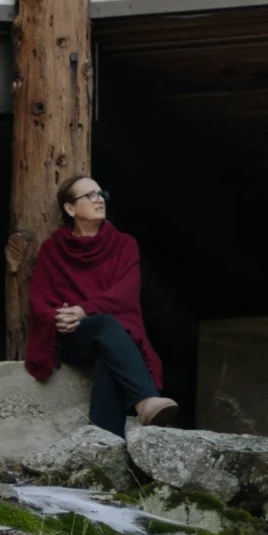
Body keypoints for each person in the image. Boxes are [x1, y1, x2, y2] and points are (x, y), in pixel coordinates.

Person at [23, 175, 178, 434]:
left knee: (108, 348)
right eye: (90, 195)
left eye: (101, 193)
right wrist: (59, 319)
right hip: (73, 336)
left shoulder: (124, 244)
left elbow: (125, 293)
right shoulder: (53, 249)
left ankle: (102, 440)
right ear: (70, 208)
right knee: (105, 326)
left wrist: (84, 310)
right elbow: (39, 299)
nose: (100, 200)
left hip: (116, 334)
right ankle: (145, 399)